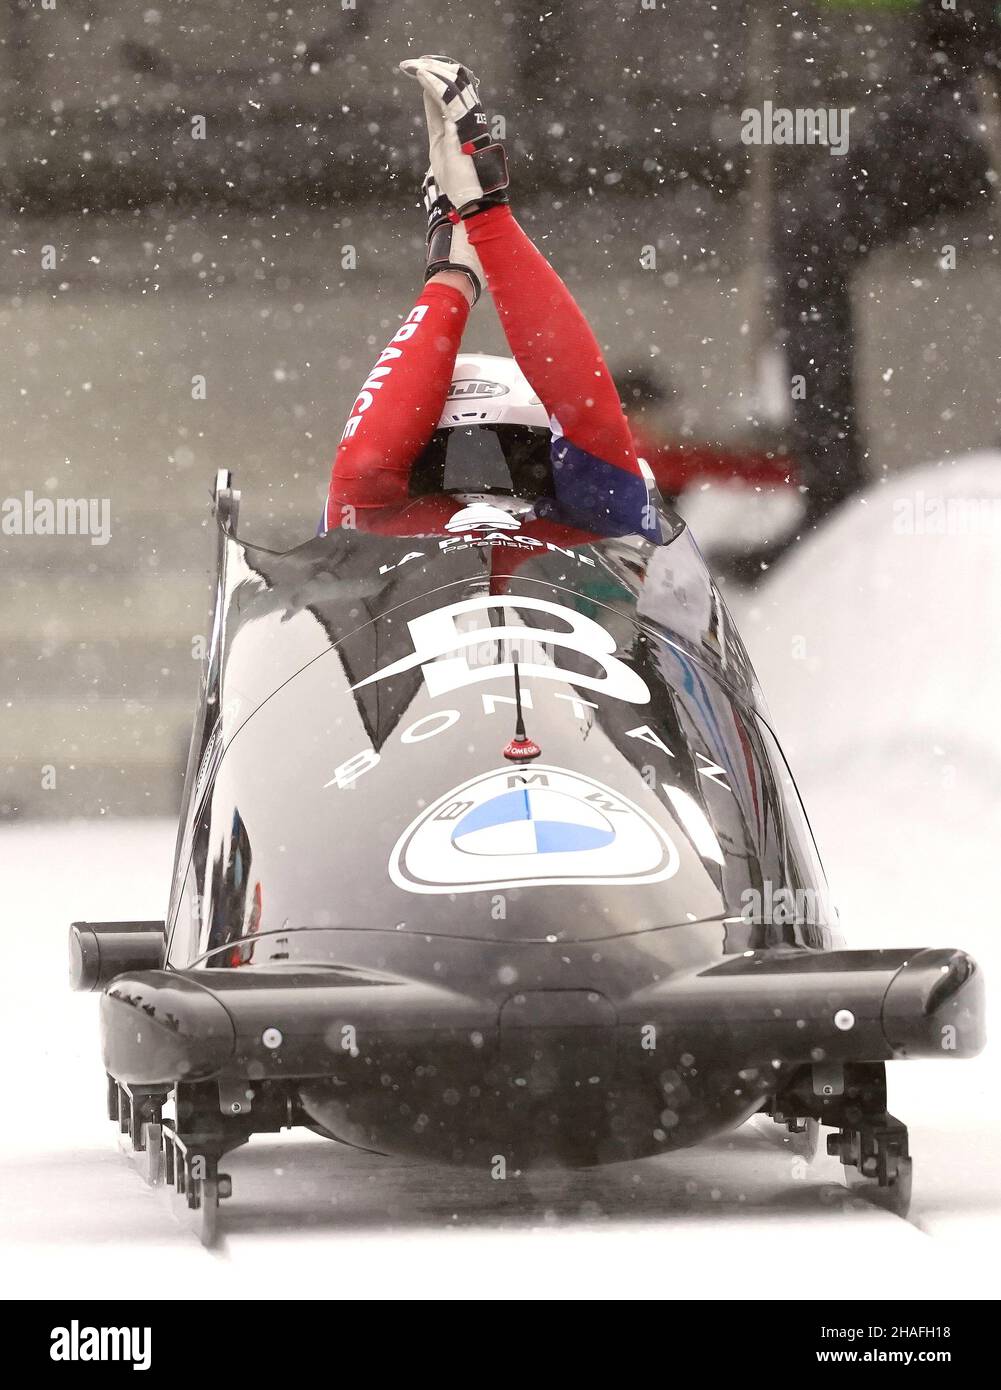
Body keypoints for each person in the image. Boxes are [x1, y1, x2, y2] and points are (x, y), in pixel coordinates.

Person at [321, 55, 660, 550]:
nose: (481, 500)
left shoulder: (603, 527)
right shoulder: (365, 545)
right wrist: (481, 222)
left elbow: (592, 428)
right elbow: (366, 471)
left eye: (515, 459)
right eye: (444, 467)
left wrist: (458, 266)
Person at [727, 0, 1001, 582]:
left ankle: (832, 490)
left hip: (972, 84)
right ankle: (830, 488)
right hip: (962, 78)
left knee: (808, 237)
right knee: (807, 236)